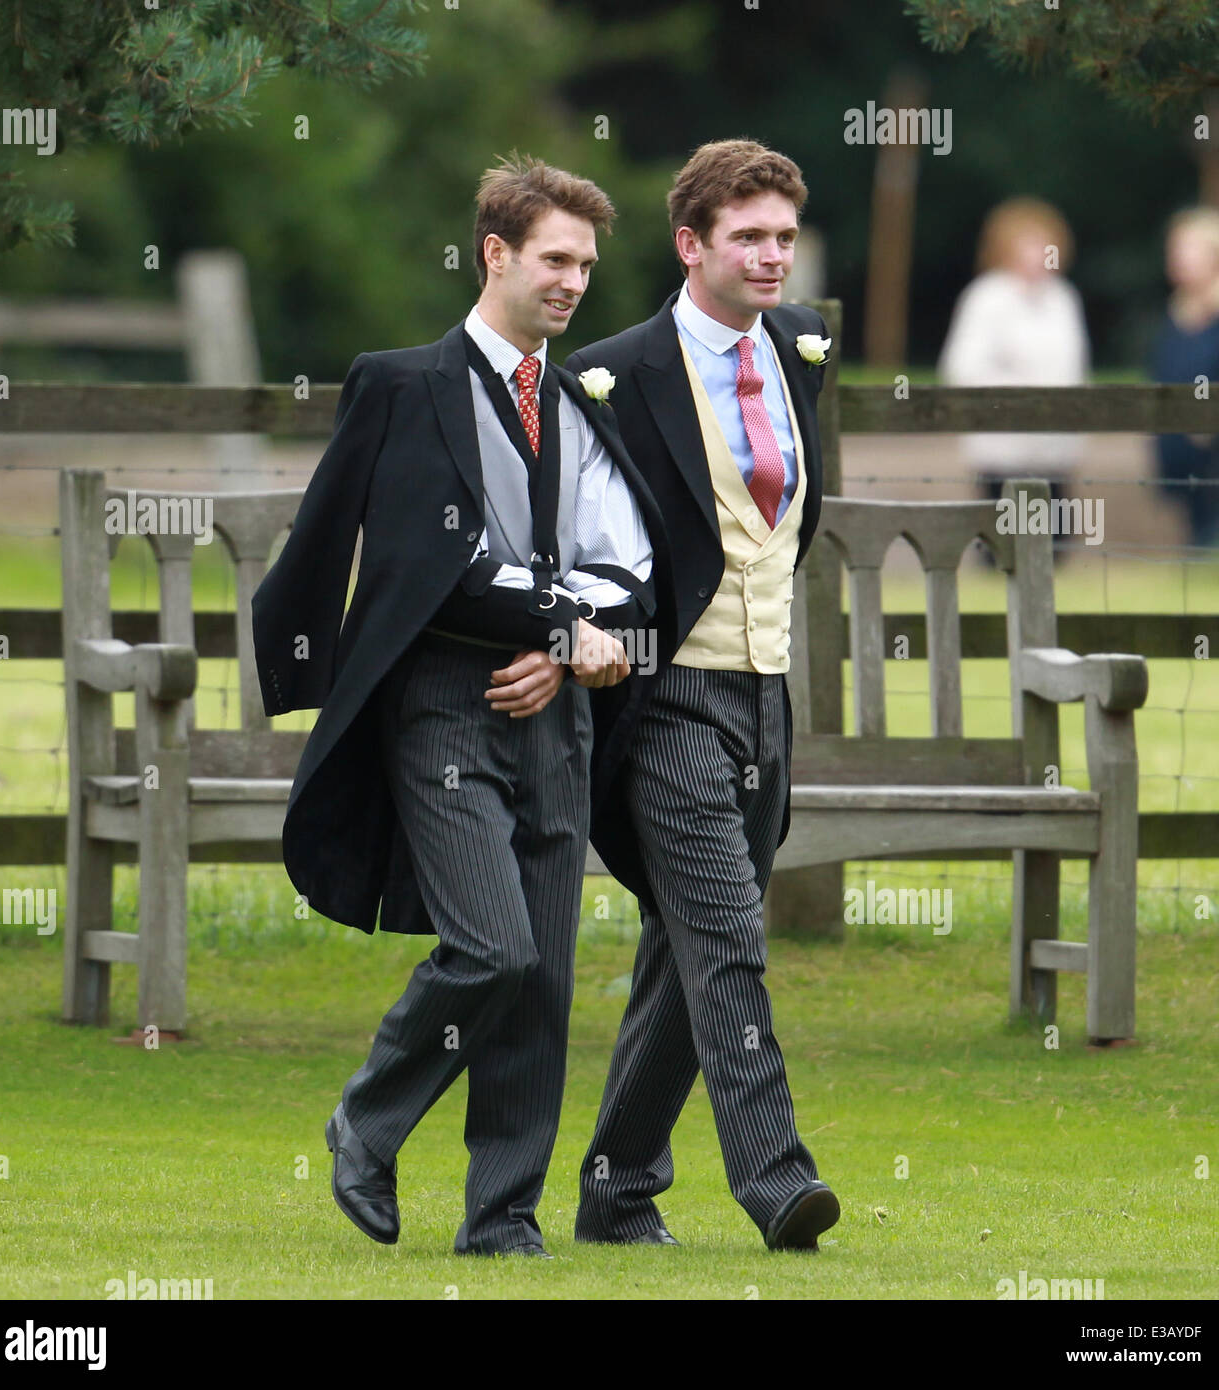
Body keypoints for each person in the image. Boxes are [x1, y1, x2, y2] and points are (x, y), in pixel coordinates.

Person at [251, 154, 673, 1257]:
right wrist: (558, 627)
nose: (574, 282)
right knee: (492, 951)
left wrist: (572, 651)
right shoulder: (403, 386)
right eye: (555, 259)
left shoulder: (577, 403)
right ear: (494, 253)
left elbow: (627, 568)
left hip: (557, 716)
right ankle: (368, 1119)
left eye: (587, 265)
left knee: (544, 981)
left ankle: (502, 1219)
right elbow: (423, 562)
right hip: (443, 702)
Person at [565, 138, 840, 1251]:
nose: (772, 256)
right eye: (748, 237)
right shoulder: (613, 374)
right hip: (666, 695)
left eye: (784, 237)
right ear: (691, 244)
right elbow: (579, 541)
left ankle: (614, 1190)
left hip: (768, 697)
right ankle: (778, 1182)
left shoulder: (803, 350)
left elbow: (794, 520)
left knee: (686, 955)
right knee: (728, 937)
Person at [937, 197, 1091, 561]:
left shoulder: (1063, 298)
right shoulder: (986, 298)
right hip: (1003, 450)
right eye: (1027, 245)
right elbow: (963, 368)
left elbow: (1074, 367)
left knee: (1054, 547)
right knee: (1001, 547)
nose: (1037, 255)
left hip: (1055, 450)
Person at [1151, 206, 1219, 549]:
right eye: (1176, 248)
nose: (1179, 257)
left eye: (1189, 248)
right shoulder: (1176, 313)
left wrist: (1211, 422)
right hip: (1184, 457)